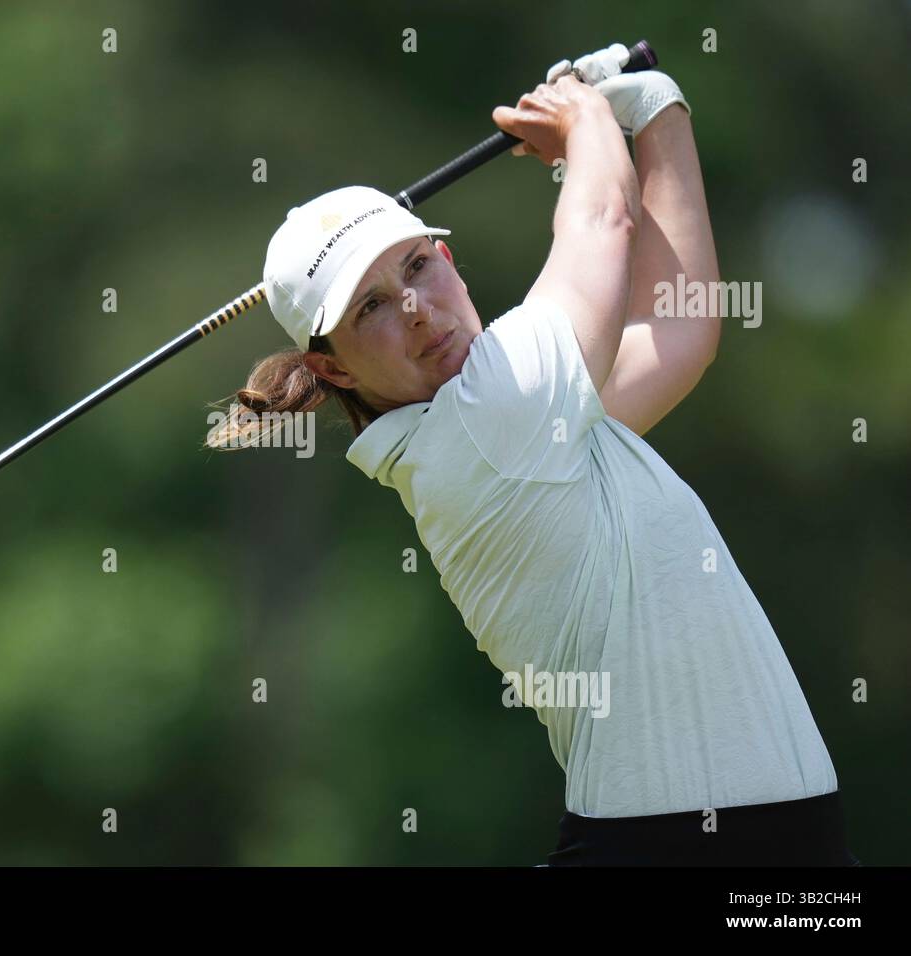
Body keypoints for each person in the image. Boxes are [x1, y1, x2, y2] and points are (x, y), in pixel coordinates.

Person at [205, 45, 858, 866]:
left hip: (776, 849)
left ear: (447, 260)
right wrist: (586, 119)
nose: (414, 308)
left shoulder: (528, 421)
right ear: (333, 368)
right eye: (371, 305)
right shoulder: (491, 417)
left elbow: (682, 331)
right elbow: (602, 222)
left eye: (415, 266)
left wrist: (656, 112)